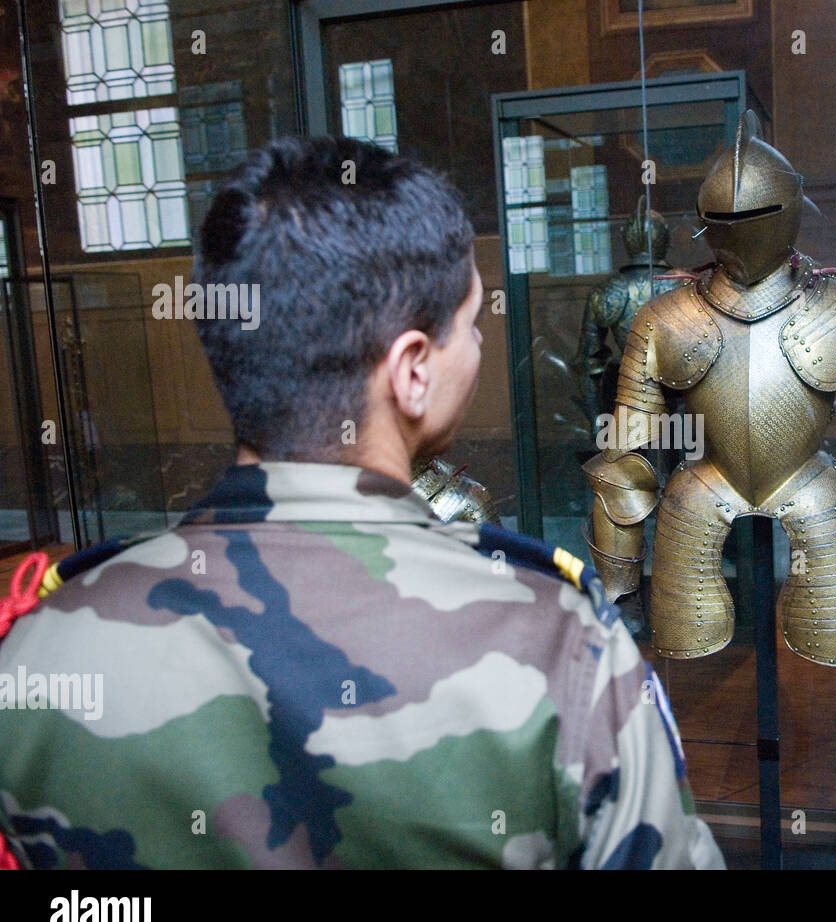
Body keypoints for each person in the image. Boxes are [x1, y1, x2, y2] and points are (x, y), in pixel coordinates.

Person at [0, 135, 724, 870]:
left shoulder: (41, 652)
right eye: (470, 325)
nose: (476, 344)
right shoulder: (559, 648)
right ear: (412, 370)